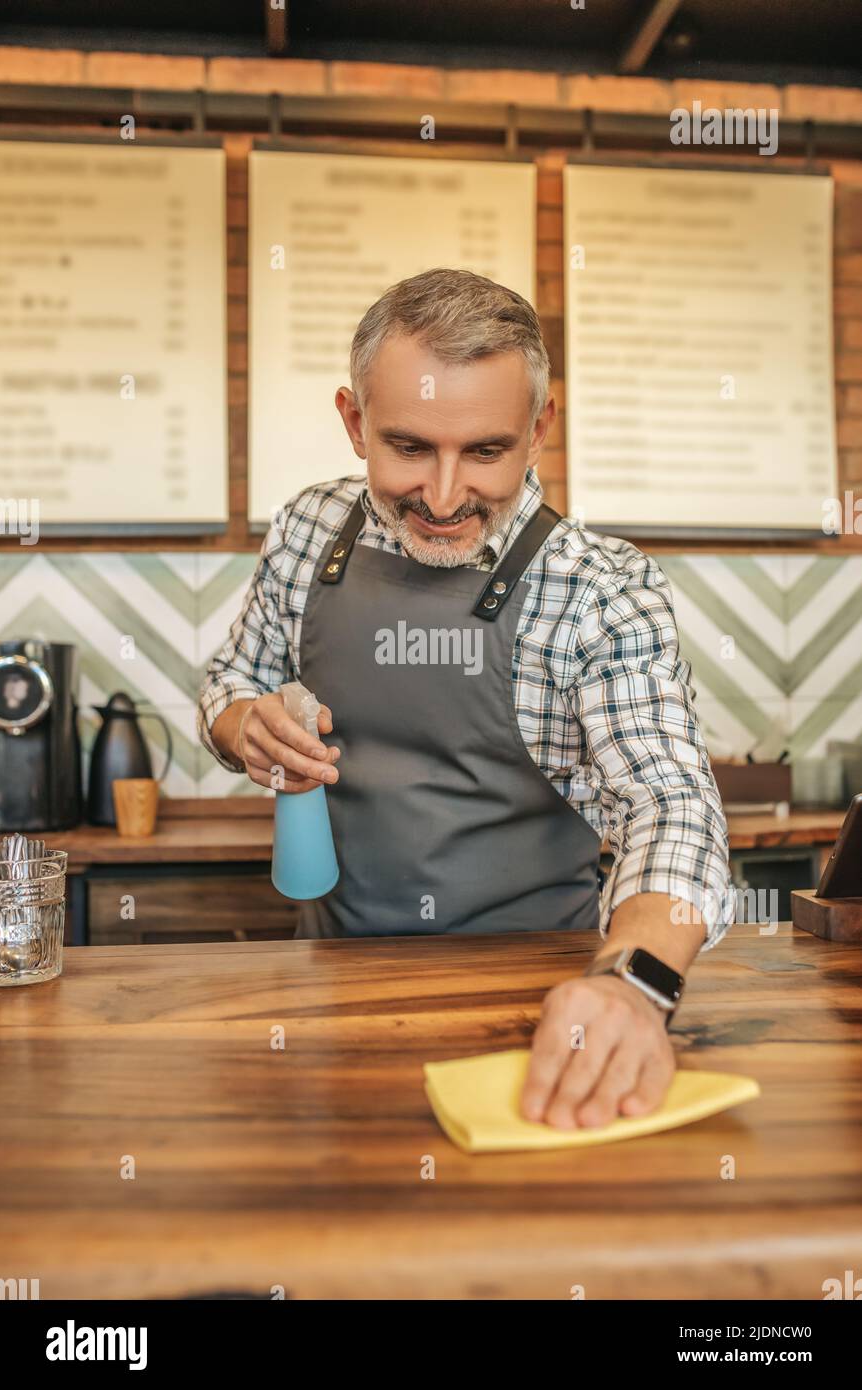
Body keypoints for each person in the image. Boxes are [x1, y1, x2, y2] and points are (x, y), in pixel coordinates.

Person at [198, 267, 733, 1129]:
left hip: (544, 1001)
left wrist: (633, 984)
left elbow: (671, 807)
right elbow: (232, 681)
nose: (445, 498)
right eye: (409, 447)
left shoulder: (599, 590)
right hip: (330, 981)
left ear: (539, 429)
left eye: (485, 451)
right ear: (353, 420)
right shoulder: (308, 532)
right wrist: (241, 728)